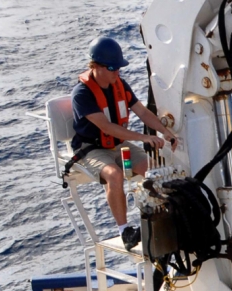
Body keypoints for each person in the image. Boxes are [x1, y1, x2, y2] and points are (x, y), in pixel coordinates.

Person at [71, 36, 179, 250]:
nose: (117, 72)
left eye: (119, 67)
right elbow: (107, 127)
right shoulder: (82, 94)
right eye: (112, 68)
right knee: (114, 175)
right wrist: (144, 137)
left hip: (118, 145)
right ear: (96, 66)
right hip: (91, 149)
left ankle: (162, 220)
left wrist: (165, 132)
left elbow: (142, 112)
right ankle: (125, 231)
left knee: (155, 171)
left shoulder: (120, 85)